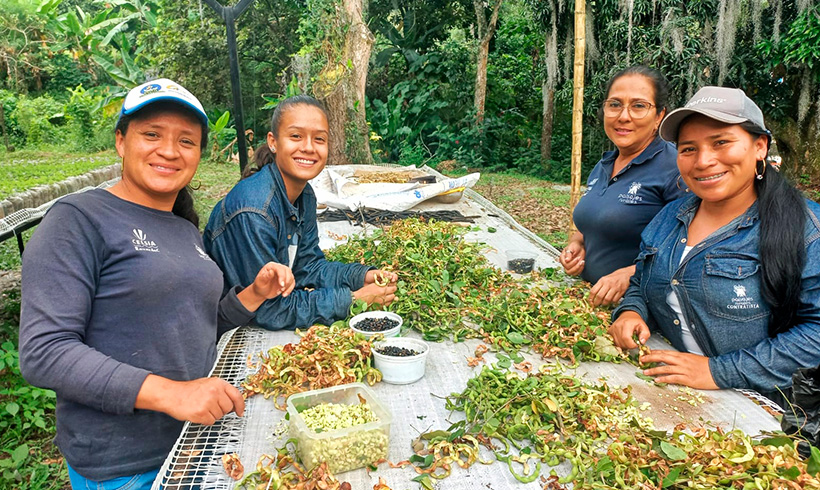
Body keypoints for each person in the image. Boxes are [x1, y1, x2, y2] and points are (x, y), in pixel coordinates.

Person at [19, 79, 296, 489]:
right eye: (152, 134)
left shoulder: (183, 229)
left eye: (186, 141)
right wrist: (173, 394)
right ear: (121, 141)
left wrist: (255, 293)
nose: (169, 150)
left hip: (196, 441)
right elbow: (45, 351)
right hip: (128, 465)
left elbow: (195, 324)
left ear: (199, 154)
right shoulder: (78, 219)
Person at [608, 86, 820, 405]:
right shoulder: (669, 218)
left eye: (721, 142)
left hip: (767, 413)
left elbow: (816, 334)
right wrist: (631, 311)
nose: (703, 161)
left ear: (759, 146)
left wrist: (718, 371)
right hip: (679, 399)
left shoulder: (806, 230)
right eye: (688, 149)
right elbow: (642, 279)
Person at [204, 95, 398, 330]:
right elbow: (270, 309)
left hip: (264, 312)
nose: (308, 147)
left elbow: (308, 267)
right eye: (296, 136)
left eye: (319, 139)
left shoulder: (305, 195)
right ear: (273, 142)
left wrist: (359, 276)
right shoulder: (254, 211)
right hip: (224, 329)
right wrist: (354, 300)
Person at [559, 66, 688, 306]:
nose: (623, 116)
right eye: (615, 104)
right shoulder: (605, 164)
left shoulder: (675, 168)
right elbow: (596, 222)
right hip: (589, 302)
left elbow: (689, 250)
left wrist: (630, 274)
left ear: (659, 116)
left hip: (639, 310)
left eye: (638, 106)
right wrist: (578, 243)